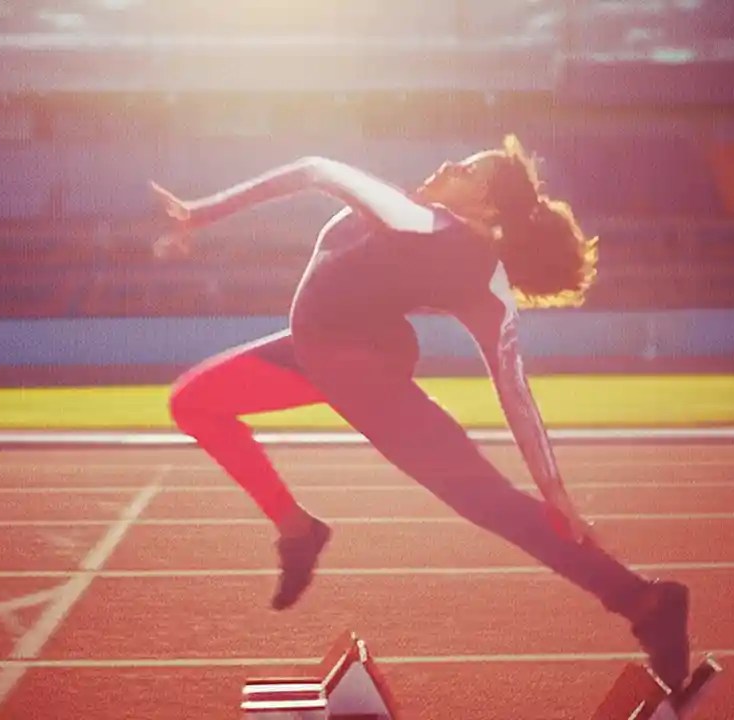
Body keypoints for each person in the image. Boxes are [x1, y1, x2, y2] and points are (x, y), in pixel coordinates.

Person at [151, 135, 692, 690]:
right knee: (193, 402)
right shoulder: (461, 255)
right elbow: (516, 394)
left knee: (490, 502)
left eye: (465, 167)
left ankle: (646, 602)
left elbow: (315, 167)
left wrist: (204, 212)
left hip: (362, 371)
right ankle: (297, 529)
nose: (447, 163)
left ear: (484, 203)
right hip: (318, 353)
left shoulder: (424, 226)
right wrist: (552, 488)